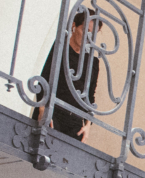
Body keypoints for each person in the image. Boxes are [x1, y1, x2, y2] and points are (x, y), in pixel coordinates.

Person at [33, 11, 101, 141]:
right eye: (85, 30)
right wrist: (42, 109)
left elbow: (90, 96)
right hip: (52, 111)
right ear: (74, 26)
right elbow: (43, 78)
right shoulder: (58, 48)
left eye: (93, 34)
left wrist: (88, 126)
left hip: (75, 121)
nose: (88, 37)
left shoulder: (93, 63)